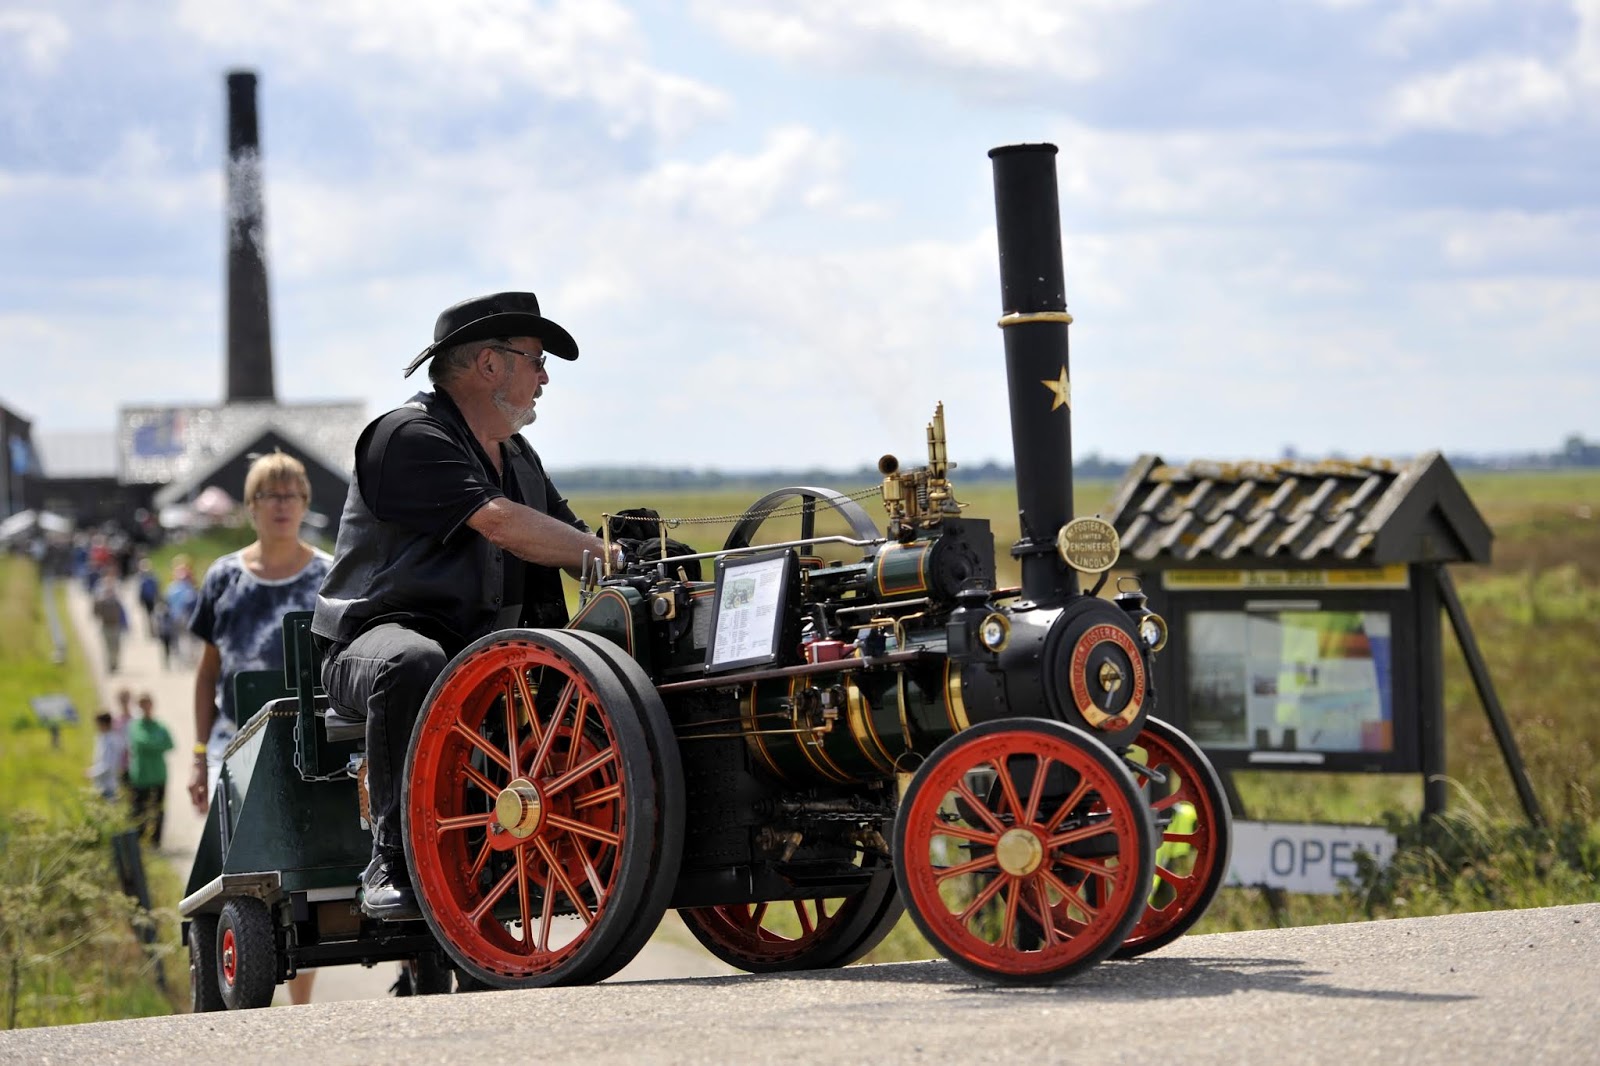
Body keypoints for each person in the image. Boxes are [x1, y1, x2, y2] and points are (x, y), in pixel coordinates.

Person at [313, 291, 617, 921]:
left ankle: (592, 848)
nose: (544, 376)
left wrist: (637, 555)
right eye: (534, 359)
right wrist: (605, 556)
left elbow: (567, 536)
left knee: (598, 666)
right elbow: (502, 524)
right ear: (488, 365)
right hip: (376, 646)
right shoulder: (408, 436)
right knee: (415, 662)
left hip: (480, 652)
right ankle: (392, 860)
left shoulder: (518, 455)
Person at [186, 451, 332, 1006]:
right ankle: (245, 987)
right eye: (270, 495)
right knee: (243, 872)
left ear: (305, 504)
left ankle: (303, 1002)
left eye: (292, 494)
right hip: (236, 743)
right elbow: (207, 675)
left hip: (308, 741)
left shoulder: (327, 575)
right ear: (250, 506)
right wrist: (199, 754)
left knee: (306, 868)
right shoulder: (223, 578)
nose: (282, 504)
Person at [127, 692, 173, 847]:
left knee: (158, 809)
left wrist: (152, 744)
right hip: (141, 775)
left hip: (159, 774)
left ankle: (156, 842)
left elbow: (170, 744)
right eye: (142, 704)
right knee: (139, 810)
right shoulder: (135, 726)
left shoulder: (160, 725)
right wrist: (156, 744)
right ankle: (140, 841)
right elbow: (140, 743)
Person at [92, 561, 128, 672]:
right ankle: (109, 665)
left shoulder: (117, 587)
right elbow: (95, 607)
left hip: (116, 623)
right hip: (105, 623)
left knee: (116, 646)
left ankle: (115, 663)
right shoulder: (100, 588)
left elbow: (122, 607)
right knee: (107, 646)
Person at [86, 711, 125, 801]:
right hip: (101, 784)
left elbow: (107, 765)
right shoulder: (102, 738)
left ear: (104, 724)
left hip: (108, 786)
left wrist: (91, 772)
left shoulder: (111, 740)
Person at [136, 557, 161, 637]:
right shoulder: (143, 578)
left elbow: (157, 587)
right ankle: (152, 630)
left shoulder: (150, 577)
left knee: (153, 615)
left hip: (152, 599)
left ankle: (155, 630)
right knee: (149, 616)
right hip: (147, 600)